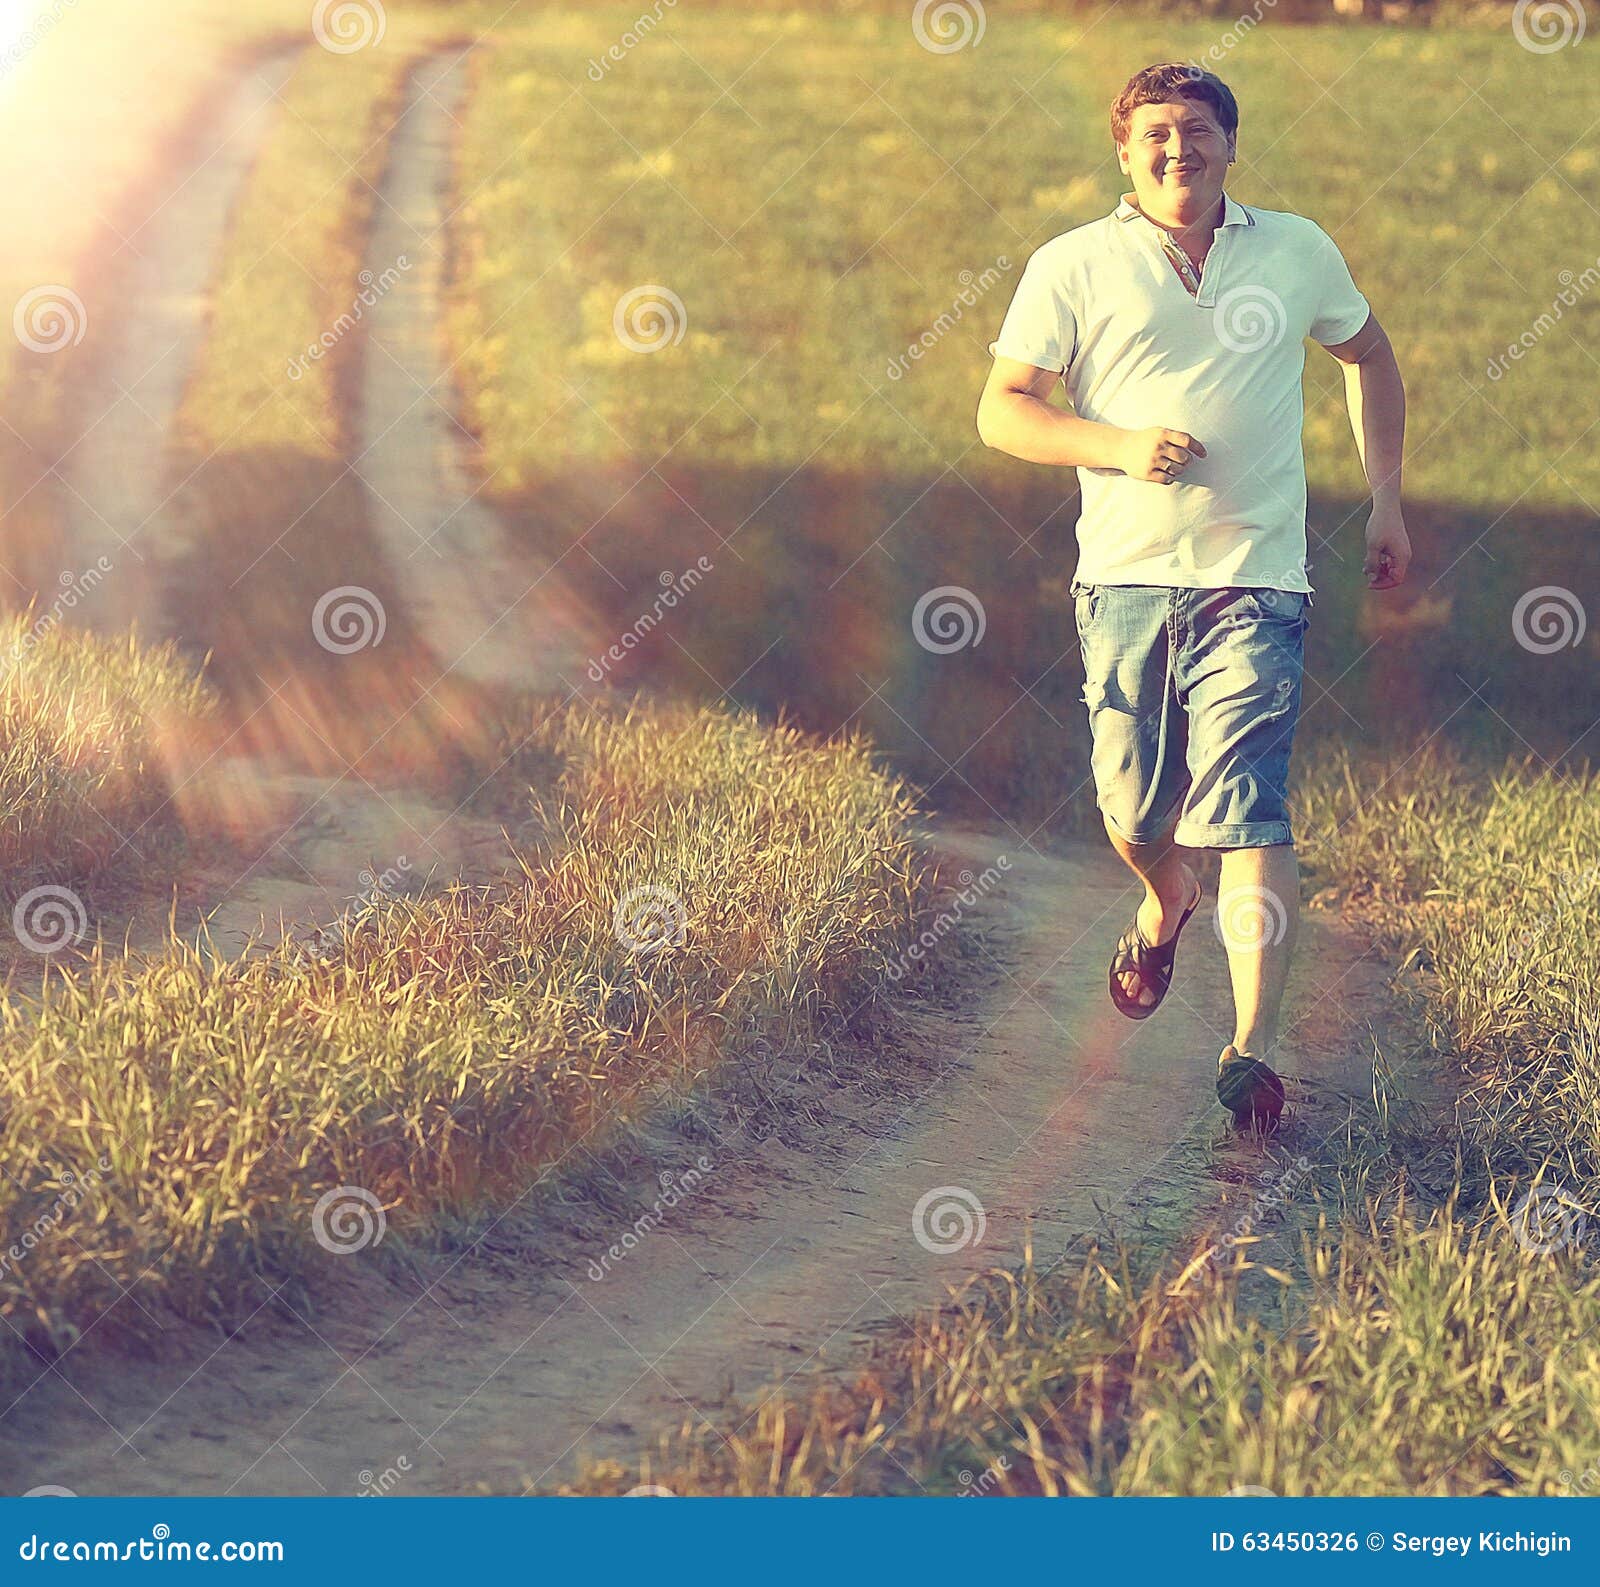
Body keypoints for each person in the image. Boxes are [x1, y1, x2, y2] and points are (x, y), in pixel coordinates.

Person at [975, 62, 1409, 1130]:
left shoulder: (1297, 249)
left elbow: (1368, 354)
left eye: (1200, 130)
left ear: (1229, 144)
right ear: (1124, 152)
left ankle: (1250, 1050)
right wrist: (1116, 445)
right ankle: (1166, 898)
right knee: (1131, 809)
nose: (1180, 148)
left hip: (1256, 579)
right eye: (1158, 133)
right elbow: (1004, 410)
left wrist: (1387, 501)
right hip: (1123, 579)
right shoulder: (1071, 264)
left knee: (1248, 809)